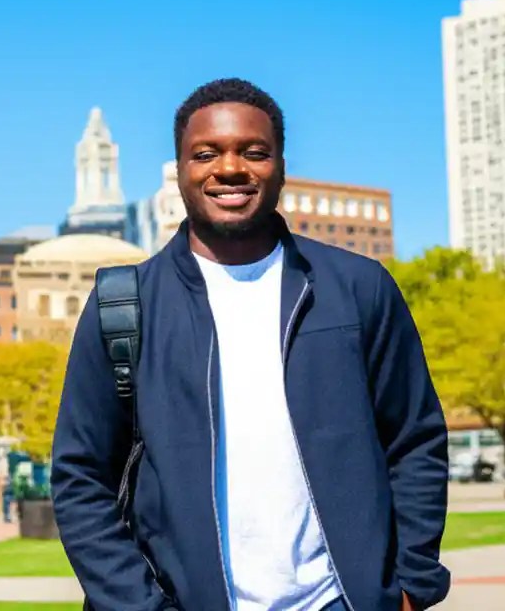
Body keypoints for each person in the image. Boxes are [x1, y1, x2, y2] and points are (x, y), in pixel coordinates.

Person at [51, 79, 450, 611]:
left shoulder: (357, 288)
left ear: (281, 167)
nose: (231, 168)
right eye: (206, 153)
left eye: (254, 152)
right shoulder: (124, 305)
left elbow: (415, 440)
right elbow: (80, 477)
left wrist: (410, 584)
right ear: (180, 171)